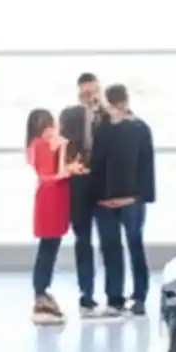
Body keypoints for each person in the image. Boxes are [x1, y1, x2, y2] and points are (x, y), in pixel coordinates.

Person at [89, 84, 156, 316]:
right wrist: (98, 198)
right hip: (104, 202)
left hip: (131, 202)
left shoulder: (140, 128)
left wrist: (135, 198)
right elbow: (96, 164)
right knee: (110, 249)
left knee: (135, 245)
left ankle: (139, 297)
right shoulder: (101, 128)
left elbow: (146, 167)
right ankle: (114, 298)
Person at [58, 73, 121, 319]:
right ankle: (86, 297)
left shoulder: (110, 116)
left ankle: (115, 298)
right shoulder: (69, 115)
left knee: (110, 241)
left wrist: (103, 108)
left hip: (105, 185)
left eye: (93, 92)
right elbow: (63, 147)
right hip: (79, 185)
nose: (89, 97)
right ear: (78, 93)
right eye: (85, 93)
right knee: (83, 241)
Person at [25, 108, 81, 326]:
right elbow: (53, 175)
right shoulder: (41, 145)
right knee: (48, 247)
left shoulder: (37, 145)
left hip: (53, 198)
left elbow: (57, 171)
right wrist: (64, 152)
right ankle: (40, 291)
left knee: (49, 246)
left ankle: (42, 291)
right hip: (50, 198)